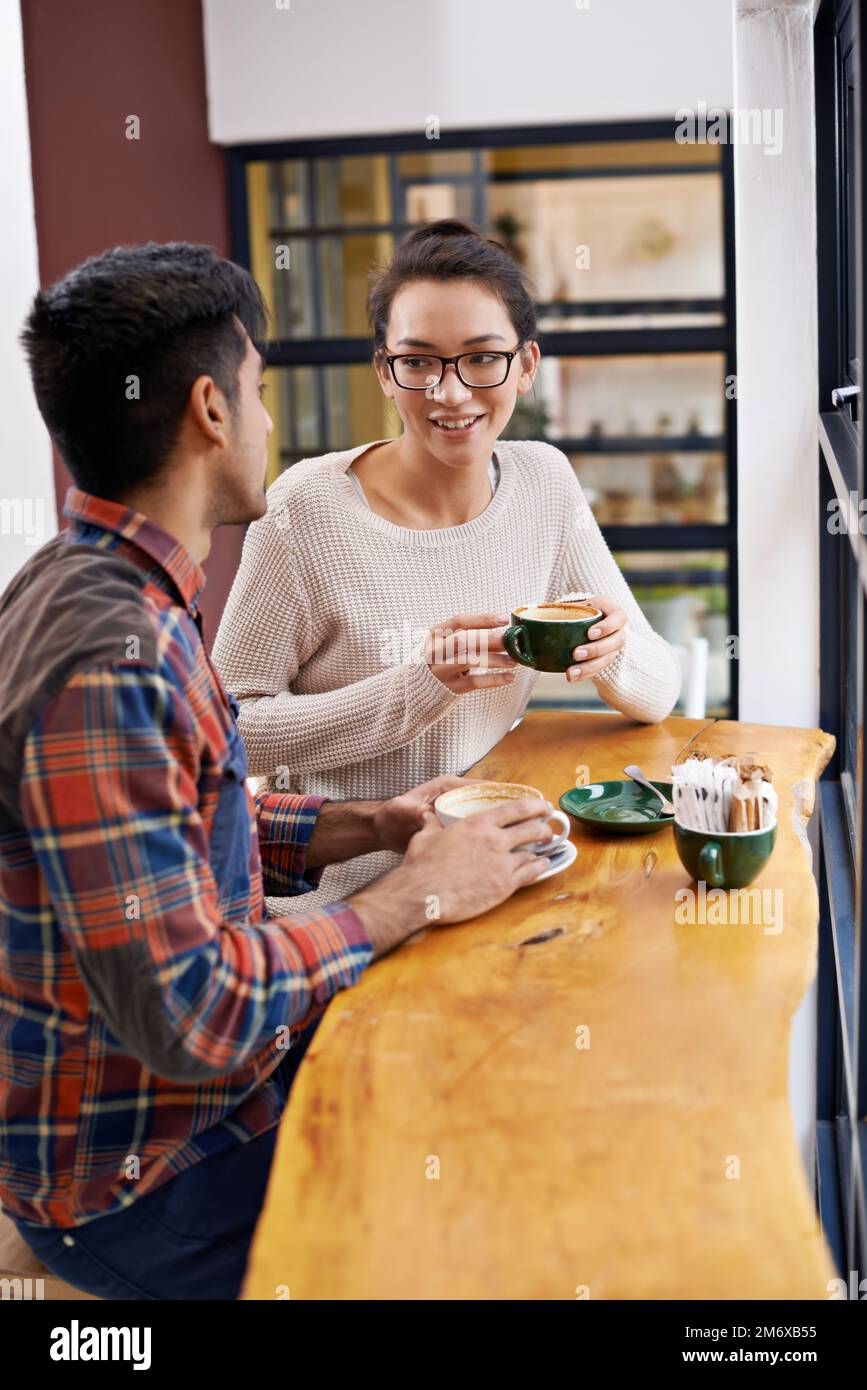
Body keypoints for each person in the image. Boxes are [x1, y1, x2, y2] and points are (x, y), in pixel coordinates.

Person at [0, 242, 557, 1300]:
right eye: (258, 392)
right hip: (145, 1184)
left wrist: (380, 823)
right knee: (487, 1219)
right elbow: (195, 1006)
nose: (268, 420)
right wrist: (417, 893)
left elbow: (183, 836)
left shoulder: (103, 588)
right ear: (212, 411)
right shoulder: (108, 658)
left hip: (198, 1115)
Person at [213, 218, 682, 915]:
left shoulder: (543, 482)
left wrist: (606, 652)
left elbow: (660, 690)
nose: (450, 393)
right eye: (420, 361)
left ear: (524, 365)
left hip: (497, 875)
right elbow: (231, 730)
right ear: (384, 371)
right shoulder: (303, 511)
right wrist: (420, 684)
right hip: (346, 911)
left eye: (480, 358)